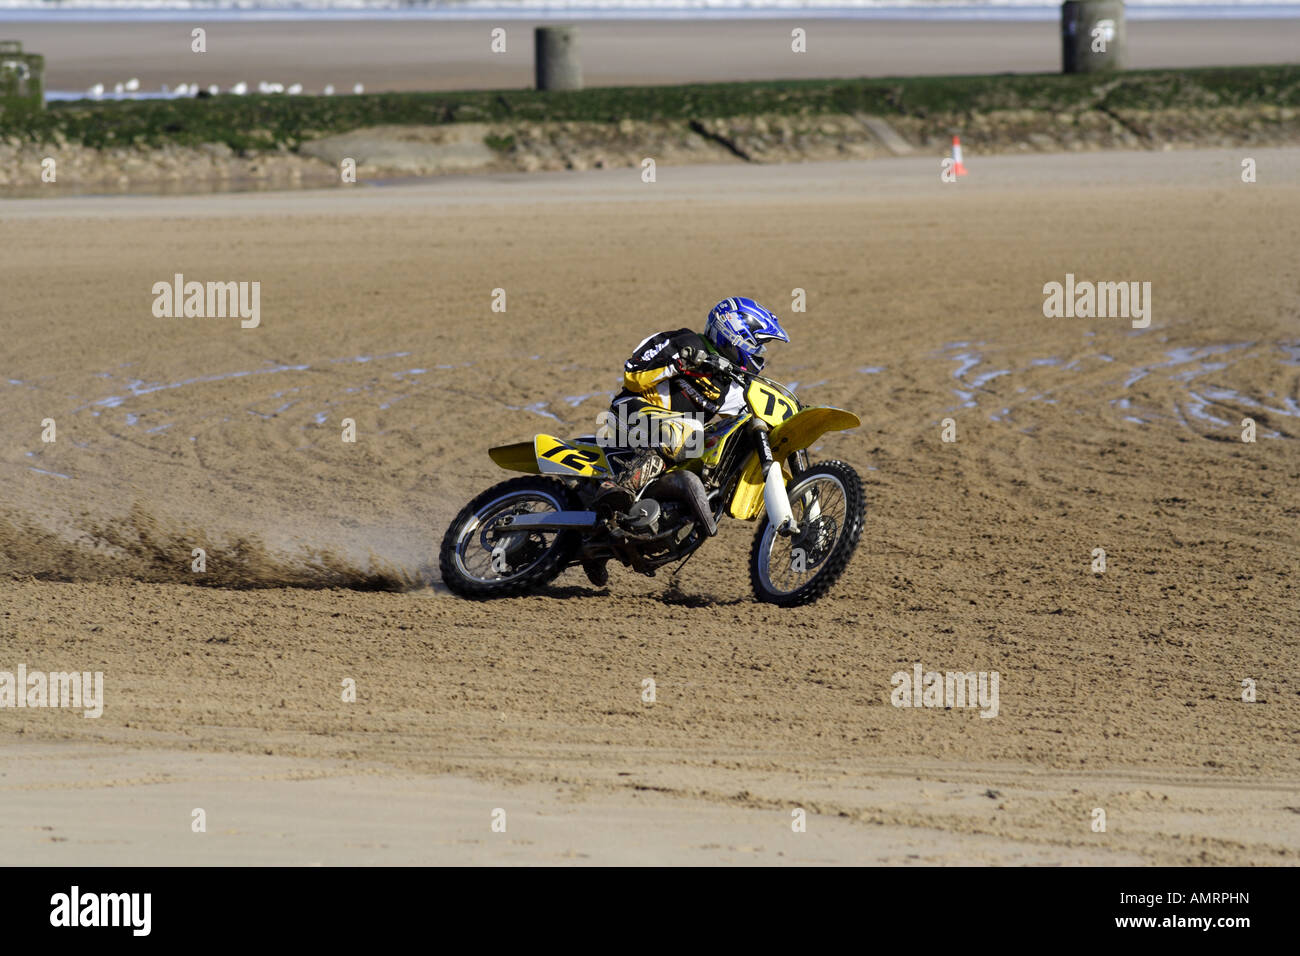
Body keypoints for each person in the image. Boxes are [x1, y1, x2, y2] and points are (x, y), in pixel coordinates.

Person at [593, 296, 790, 521]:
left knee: (715, 443)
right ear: (736, 335)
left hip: (672, 440)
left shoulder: (729, 384)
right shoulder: (684, 341)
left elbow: (752, 415)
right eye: (758, 345)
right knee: (690, 429)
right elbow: (632, 375)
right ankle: (617, 487)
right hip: (629, 413)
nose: (761, 354)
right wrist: (681, 361)